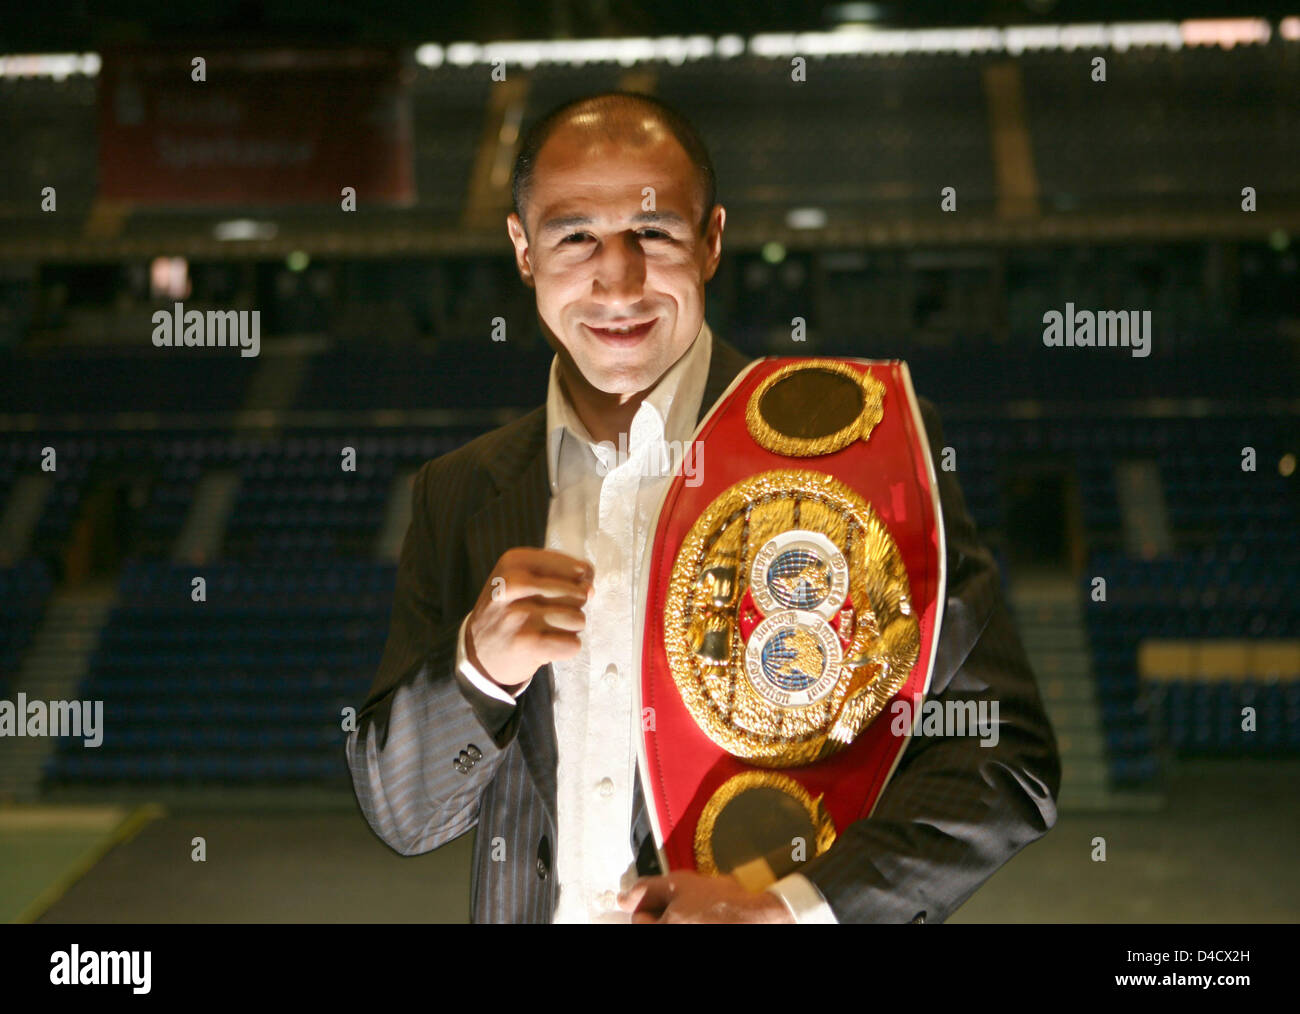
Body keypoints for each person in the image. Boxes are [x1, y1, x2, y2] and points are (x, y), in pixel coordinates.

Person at [346, 91, 1060, 924]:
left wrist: (794, 911)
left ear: (712, 240)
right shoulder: (459, 492)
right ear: (523, 249)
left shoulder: (858, 446)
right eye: (575, 236)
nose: (618, 278)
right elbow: (405, 816)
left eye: (653, 233)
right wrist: (478, 669)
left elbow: (1002, 762)